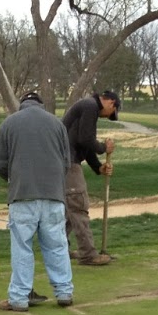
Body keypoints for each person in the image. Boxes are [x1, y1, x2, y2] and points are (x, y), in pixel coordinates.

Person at [0, 91, 74, 313]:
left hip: (22, 195)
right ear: (41, 104)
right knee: (57, 245)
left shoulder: (9, 123)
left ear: (22, 105)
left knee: (22, 247)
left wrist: (14, 178)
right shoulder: (57, 124)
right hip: (53, 196)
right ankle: (64, 291)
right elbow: (67, 162)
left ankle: (19, 297)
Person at [62, 89, 121, 266]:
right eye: (112, 112)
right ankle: (88, 254)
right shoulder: (90, 106)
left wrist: (98, 166)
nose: (108, 116)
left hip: (62, 161)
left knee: (68, 210)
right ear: (111, 102)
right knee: (78, 205)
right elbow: (86, 139)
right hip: (67, 162)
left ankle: (59, 249)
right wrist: (104, 148)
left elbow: (83, 143)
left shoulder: (88, 106)